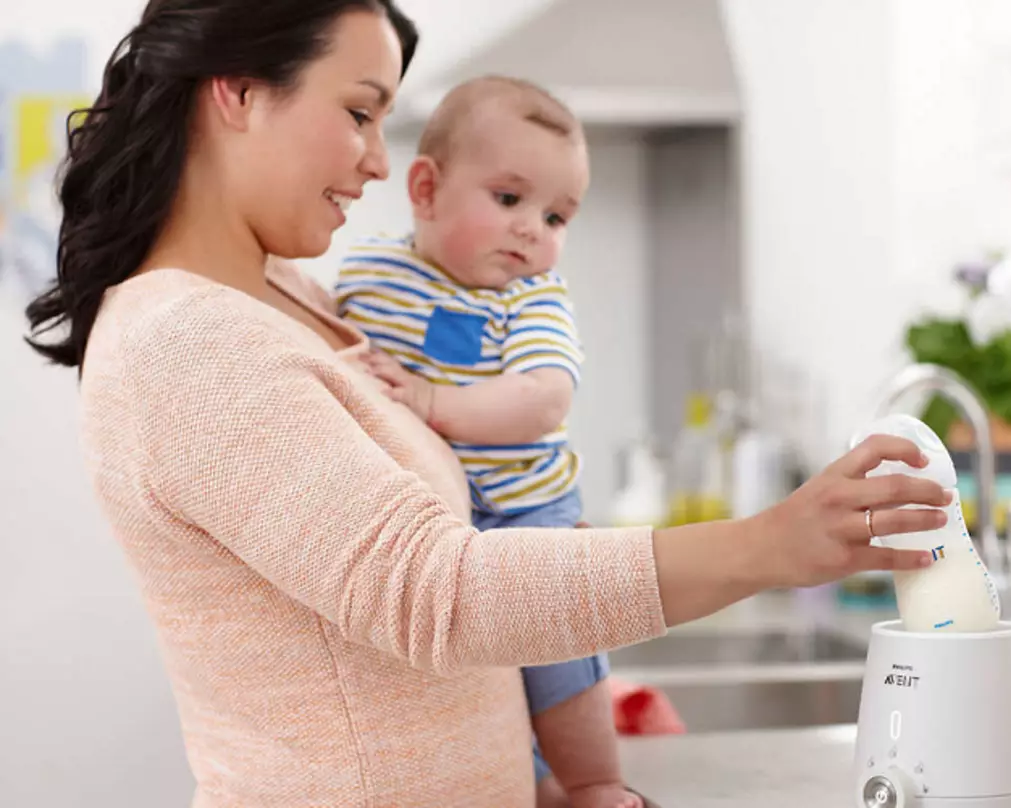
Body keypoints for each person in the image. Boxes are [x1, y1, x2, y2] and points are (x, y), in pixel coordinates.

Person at [23, 1, 949, 805]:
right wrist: (766, 544)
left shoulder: (291, 299)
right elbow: (437, 594)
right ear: (237, 90)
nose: (379, 165)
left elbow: (381, 668)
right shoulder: (188, 345)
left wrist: (525, 779)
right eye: (357, 112)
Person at [334, 75, 632, 807]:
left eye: (558, 216)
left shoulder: (531, 298)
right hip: (434, 528)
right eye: (509, 200)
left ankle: (594, 782)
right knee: (468, 691)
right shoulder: (370, 274)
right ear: (427, 190)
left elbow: (541, 398)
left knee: (554, 657)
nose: (534, 229)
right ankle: (534, 789)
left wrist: (432, 401)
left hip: (525, 512)